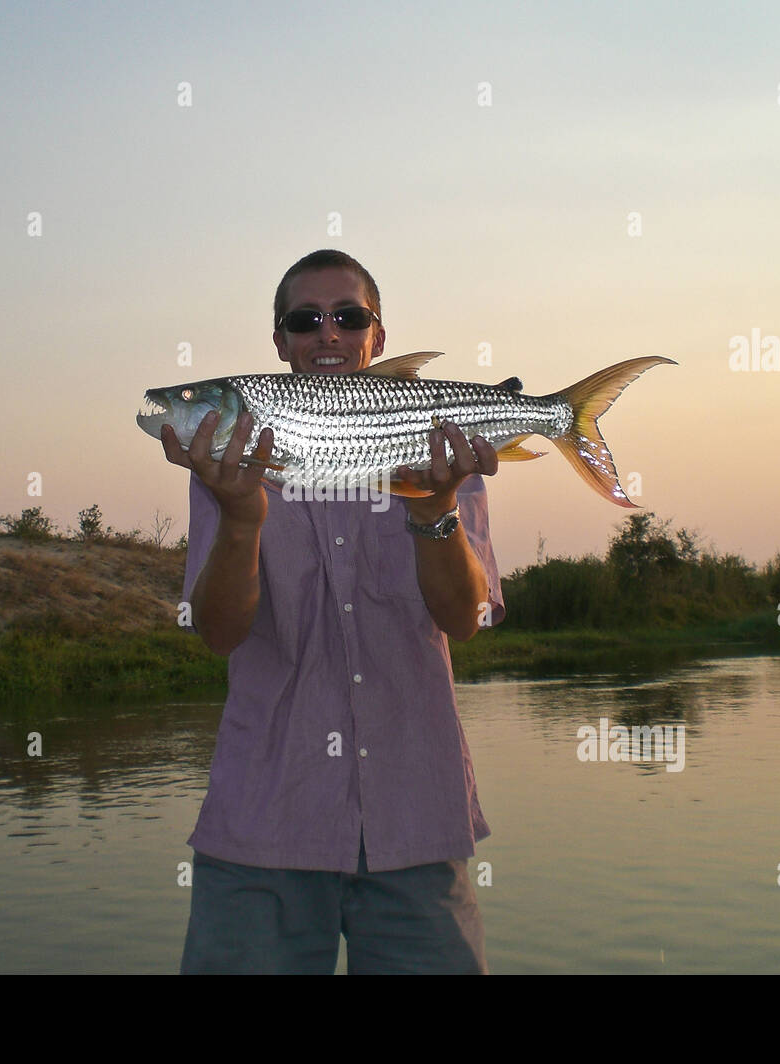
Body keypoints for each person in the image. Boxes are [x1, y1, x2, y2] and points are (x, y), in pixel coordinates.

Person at [157, 249, 506, 974]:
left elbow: (465, 617)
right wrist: (243, 517)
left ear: (377, 336)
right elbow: (218, 635)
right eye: (304, 320)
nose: (328, 334)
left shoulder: (435, 445)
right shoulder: (227, 467)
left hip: (417, 822)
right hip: (263, 825)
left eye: (349, 317)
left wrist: (436, 505)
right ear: (278, 341)